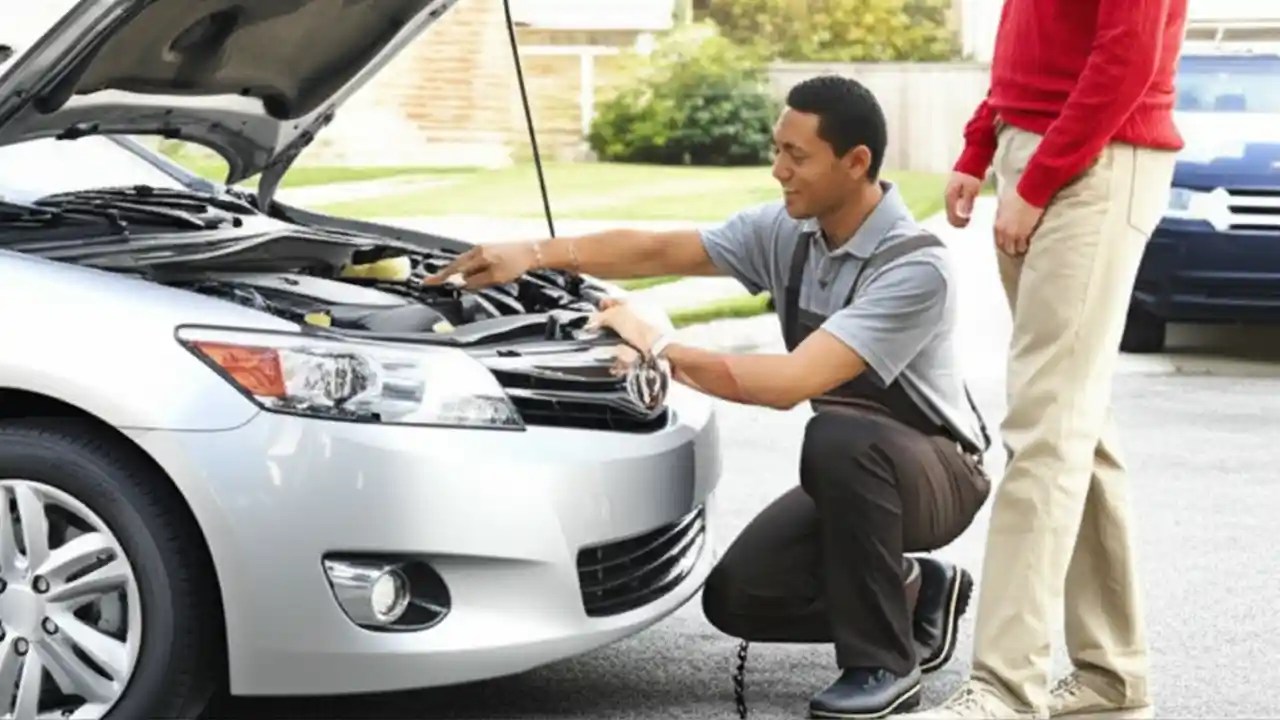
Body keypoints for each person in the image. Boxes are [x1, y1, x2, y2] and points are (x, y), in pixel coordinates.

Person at [427, 75, 992, 719]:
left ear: (856, 162)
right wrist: (532, 253)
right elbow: (663, 247)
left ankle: (882, 666)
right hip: (857, 472)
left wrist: (658, 346)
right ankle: (918, 591)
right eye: (777, 149)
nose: (779, 170)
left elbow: (790, 384)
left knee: (838, 438)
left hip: (938, 472)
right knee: (741, 597)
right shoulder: (789, 232)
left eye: (797, 156)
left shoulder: (912, 265)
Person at [901, 1, 1188, 719]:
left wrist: (1037, 182)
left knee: (1044, 431)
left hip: (1093, 159)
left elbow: (1128, 57)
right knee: (1076, 428)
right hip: (1036, 149)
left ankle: (1004, 688)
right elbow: (1031, 35)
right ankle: (1111, 676)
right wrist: (981, 145)